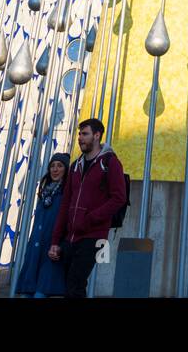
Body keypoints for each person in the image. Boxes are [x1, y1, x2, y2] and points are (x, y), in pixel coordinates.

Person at [48, 118, 127, 299]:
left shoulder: (110, 163)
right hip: (71, 237)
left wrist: (91, 218)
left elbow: (119, 198)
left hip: (93, 236)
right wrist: (55, 240)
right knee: (70, 285)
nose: (80, 138)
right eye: (79, 134)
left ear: (97, 135)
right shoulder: (75, 166)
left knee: (74, 285)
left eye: (85, 134)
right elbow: (65, 205)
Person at [15, 153, 69, 298]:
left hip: (52, 250)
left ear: (66, 170)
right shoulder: (45, 194)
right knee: (27, 293)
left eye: (59, 166)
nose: (55, 169)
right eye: (52, 166)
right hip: (35, 251)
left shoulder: (67, 195)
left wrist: (59, 246)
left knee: (40, 293)